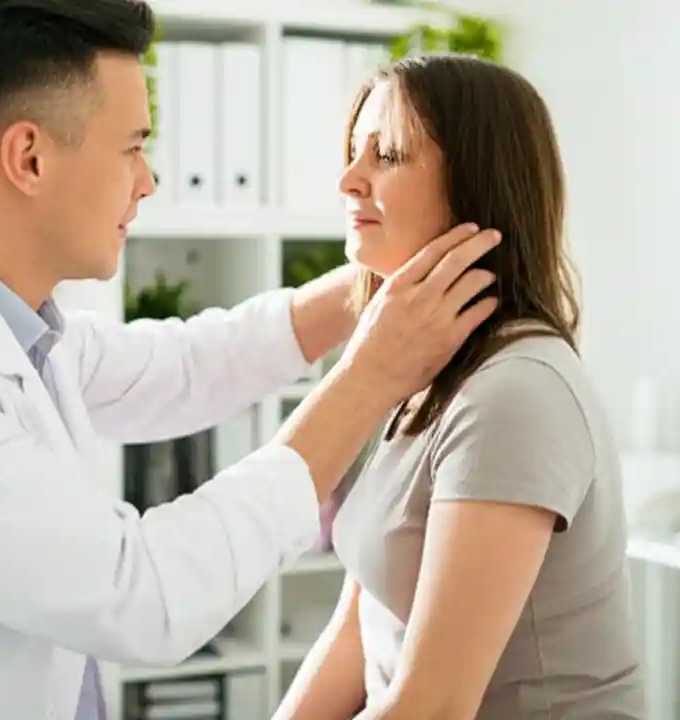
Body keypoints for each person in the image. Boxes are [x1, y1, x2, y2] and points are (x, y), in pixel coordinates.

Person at [0, 2, 502, 719]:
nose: (149, 180)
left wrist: (372, 287)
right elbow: (144, 596)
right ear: (29, 158)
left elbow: (189, 365)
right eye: (133, 146)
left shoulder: (21, 330)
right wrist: (369, 377)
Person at [275, 55, 646, 720]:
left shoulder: (516, 395)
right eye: (354, 152)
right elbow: (358, 631)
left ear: (476, 185)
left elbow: (435, 706)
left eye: (387, 154)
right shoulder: (427, 373)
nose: (349, 179)